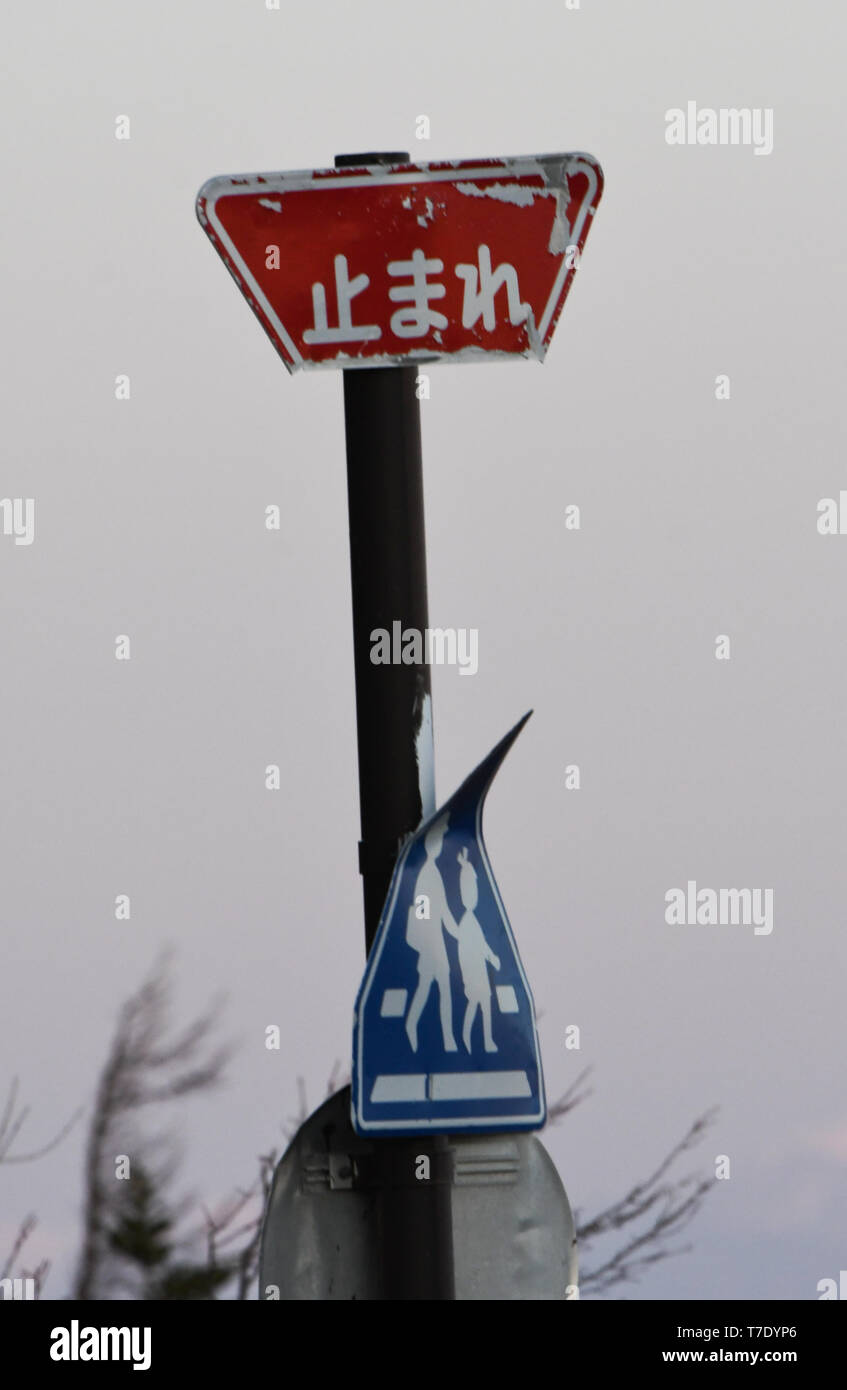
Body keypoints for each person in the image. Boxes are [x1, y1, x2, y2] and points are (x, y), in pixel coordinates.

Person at [405, 815, 459, 1052]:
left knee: (441, 989)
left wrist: (462, 935)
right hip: (430, 944)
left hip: (438, 943)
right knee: (426, 988)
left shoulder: (434, 874)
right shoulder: (426, 875)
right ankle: (411, 1025)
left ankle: (448, 1038)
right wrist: (429, 943)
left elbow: (445, 914)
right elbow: (423, 911)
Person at [455, 846, 500, 1054]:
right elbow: (466, 952)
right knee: (474, 1005)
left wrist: (492, 958)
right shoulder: (467, 924)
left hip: (479, 972)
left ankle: (488, 1039)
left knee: (485, 1005)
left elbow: (482, 946)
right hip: (473, 974)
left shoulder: (473, 922)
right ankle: (466, 1037)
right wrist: (467, 976)